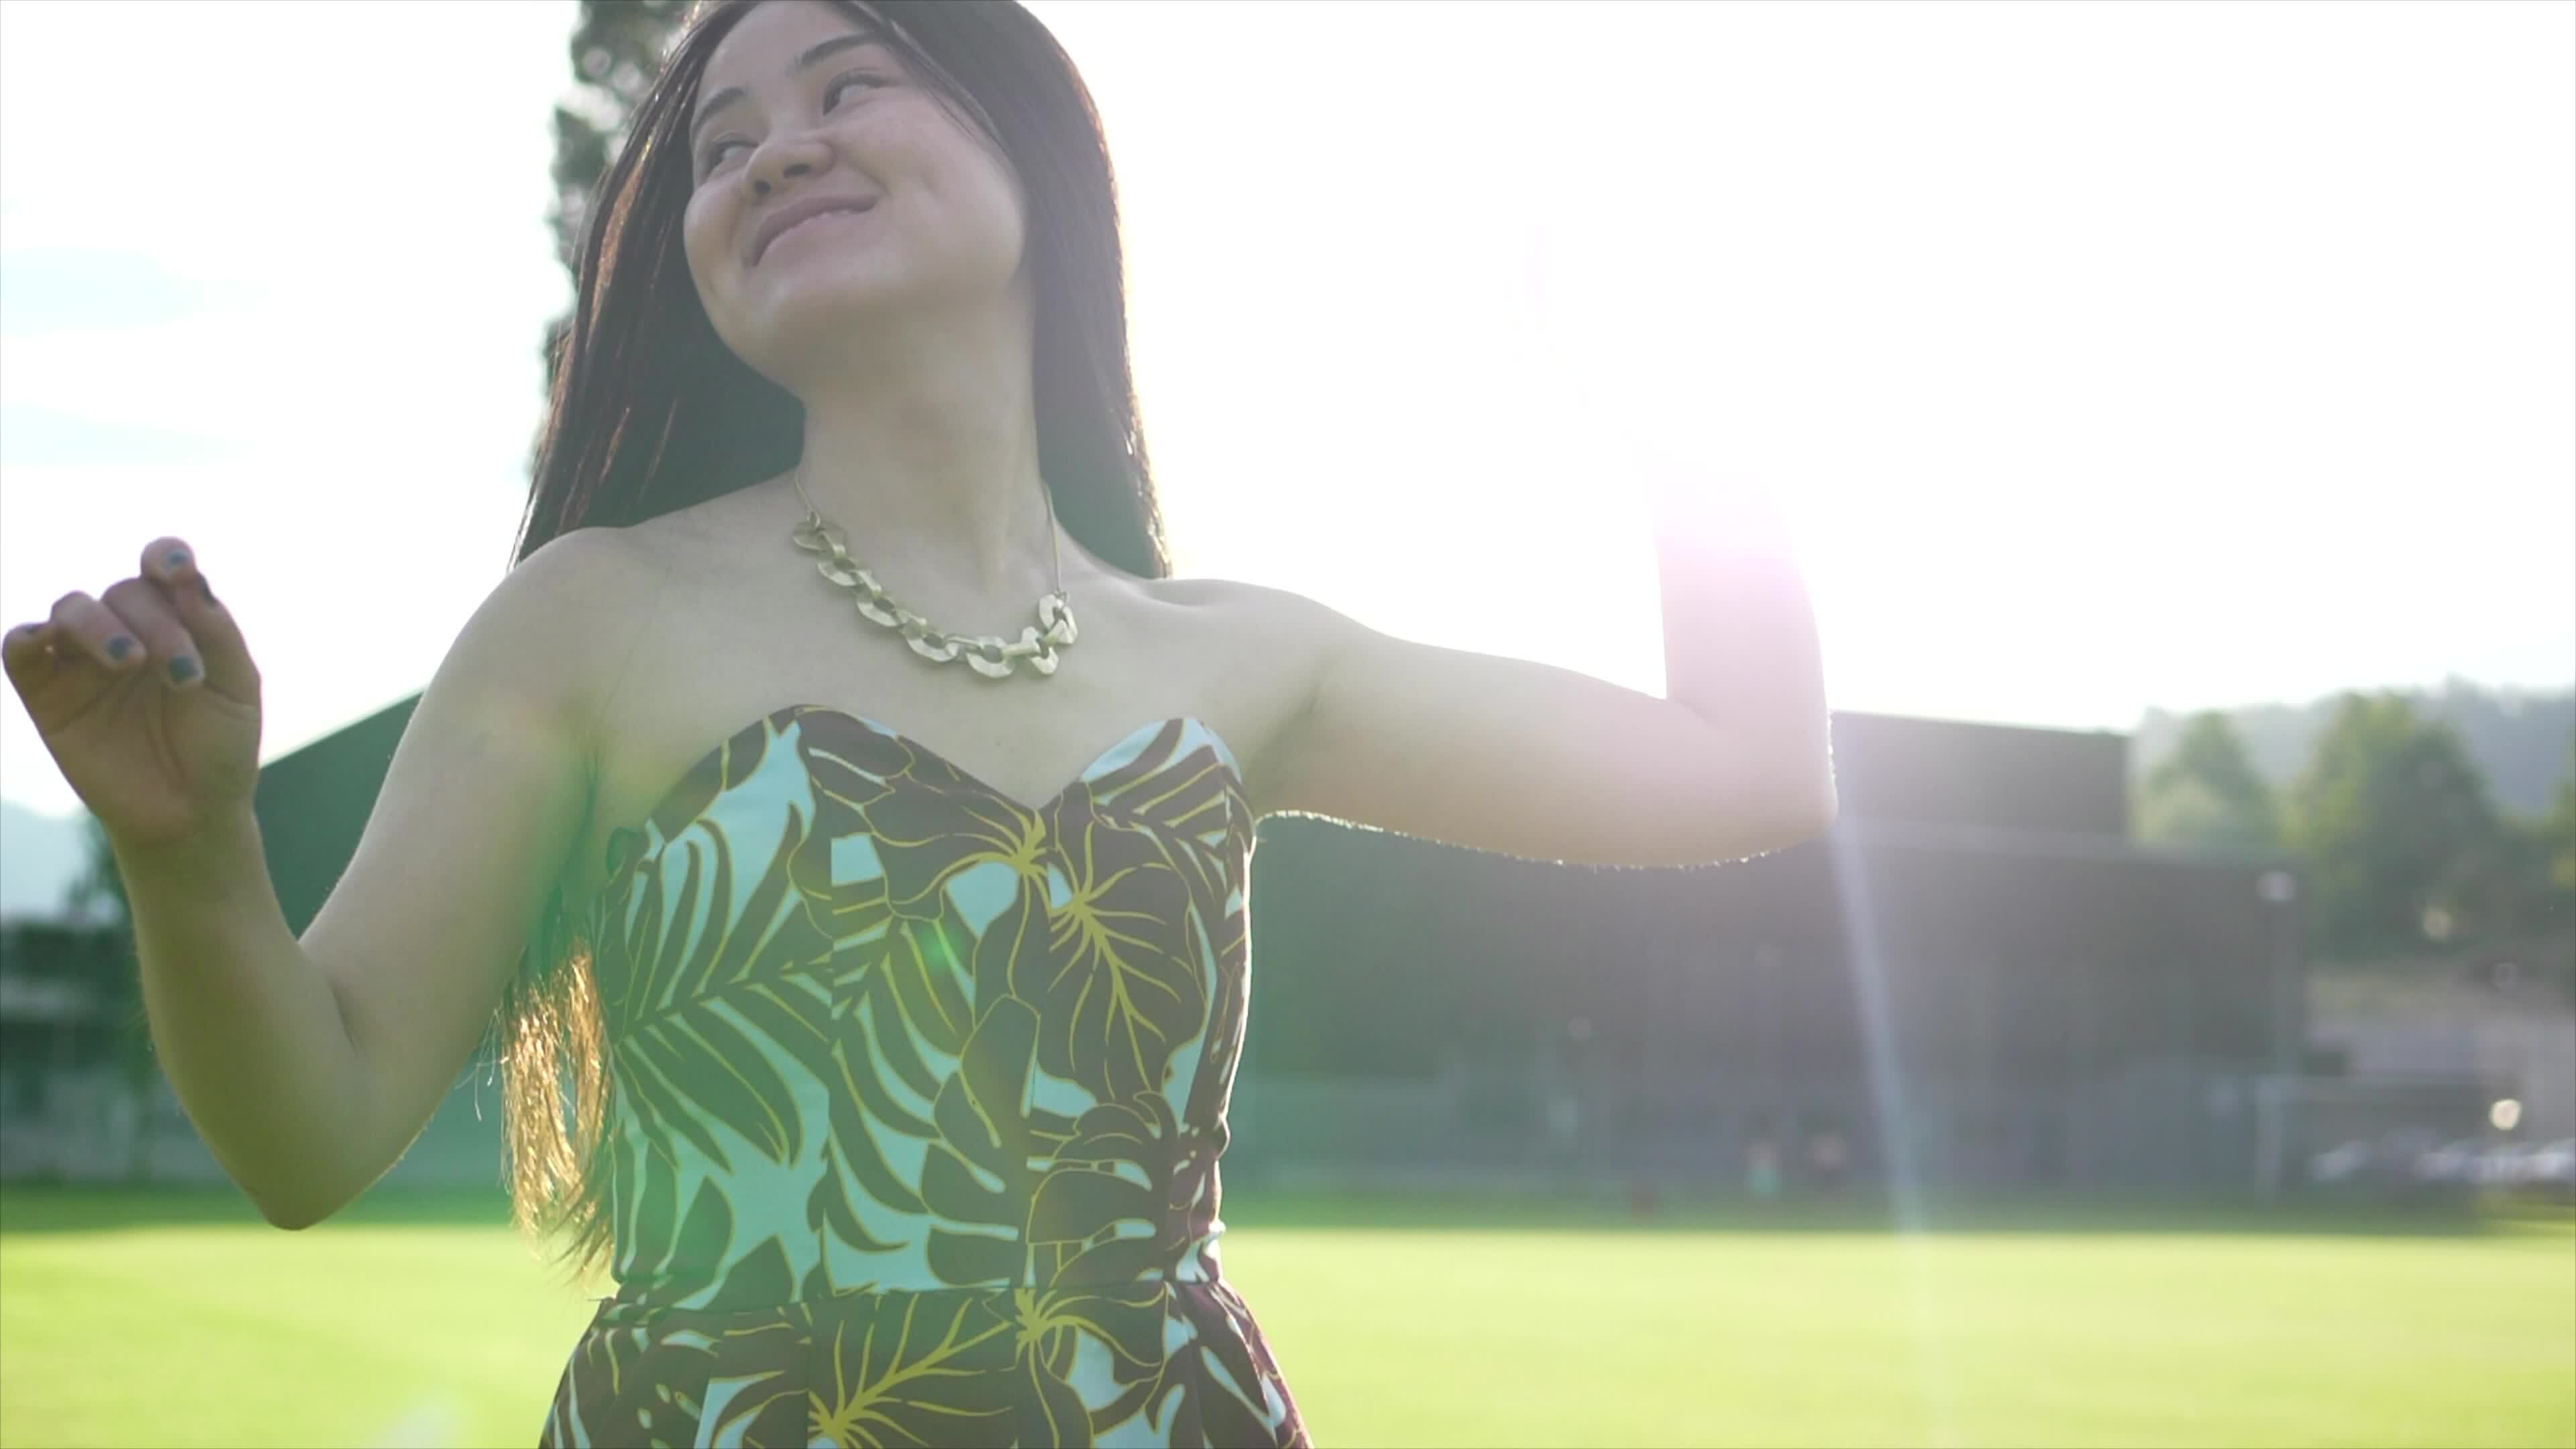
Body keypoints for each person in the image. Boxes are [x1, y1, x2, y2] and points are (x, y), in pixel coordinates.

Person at [0, 1, 1835, 1443]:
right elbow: (308, 1133)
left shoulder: (1247, 661)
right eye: (722, 145)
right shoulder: (590, 622)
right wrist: (191, 857)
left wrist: (1687, 403)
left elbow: (1744, 770)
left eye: (849, 86)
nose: (777, 150)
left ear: (1031, 143)